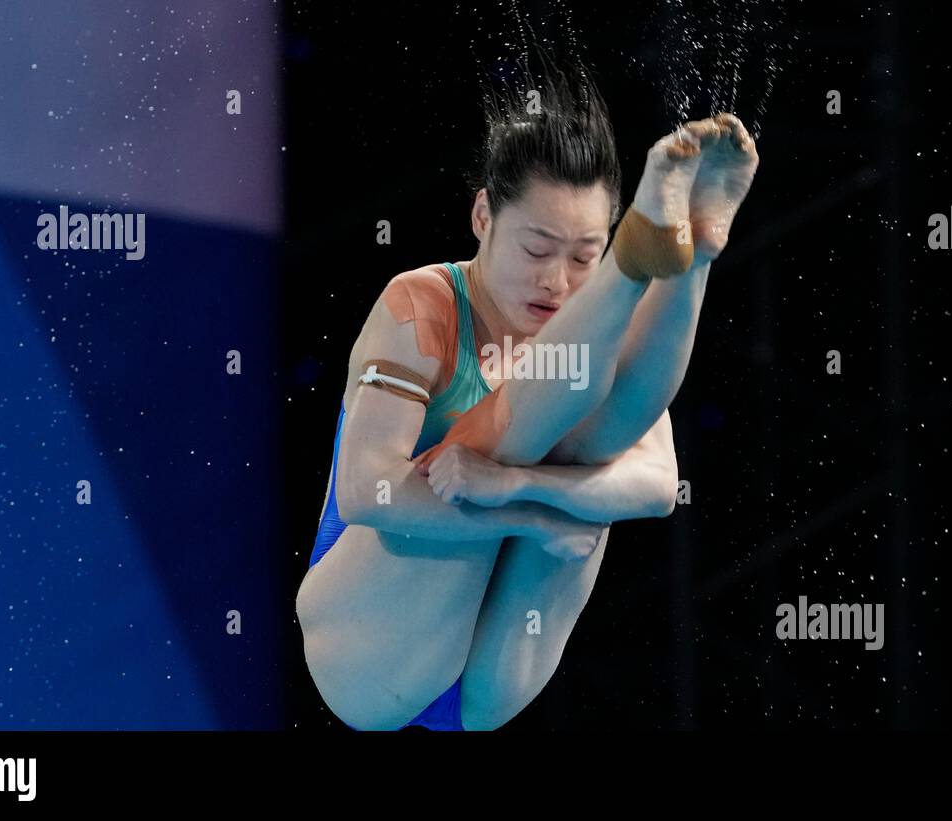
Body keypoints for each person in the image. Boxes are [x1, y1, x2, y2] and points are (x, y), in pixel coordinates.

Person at [295, 63, 759, 730]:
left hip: (496, 679)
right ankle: (638, 270)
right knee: (517, 439)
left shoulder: (600, 348)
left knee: (584, 441)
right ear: (483, 215)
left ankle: (691, 259)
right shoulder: (420, 306)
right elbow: (367, 493)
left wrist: (510, 481)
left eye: (585, 257)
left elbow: (657, 486)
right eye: (537, 248)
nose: (556, 281)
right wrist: (527, 512)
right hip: (369, 648)